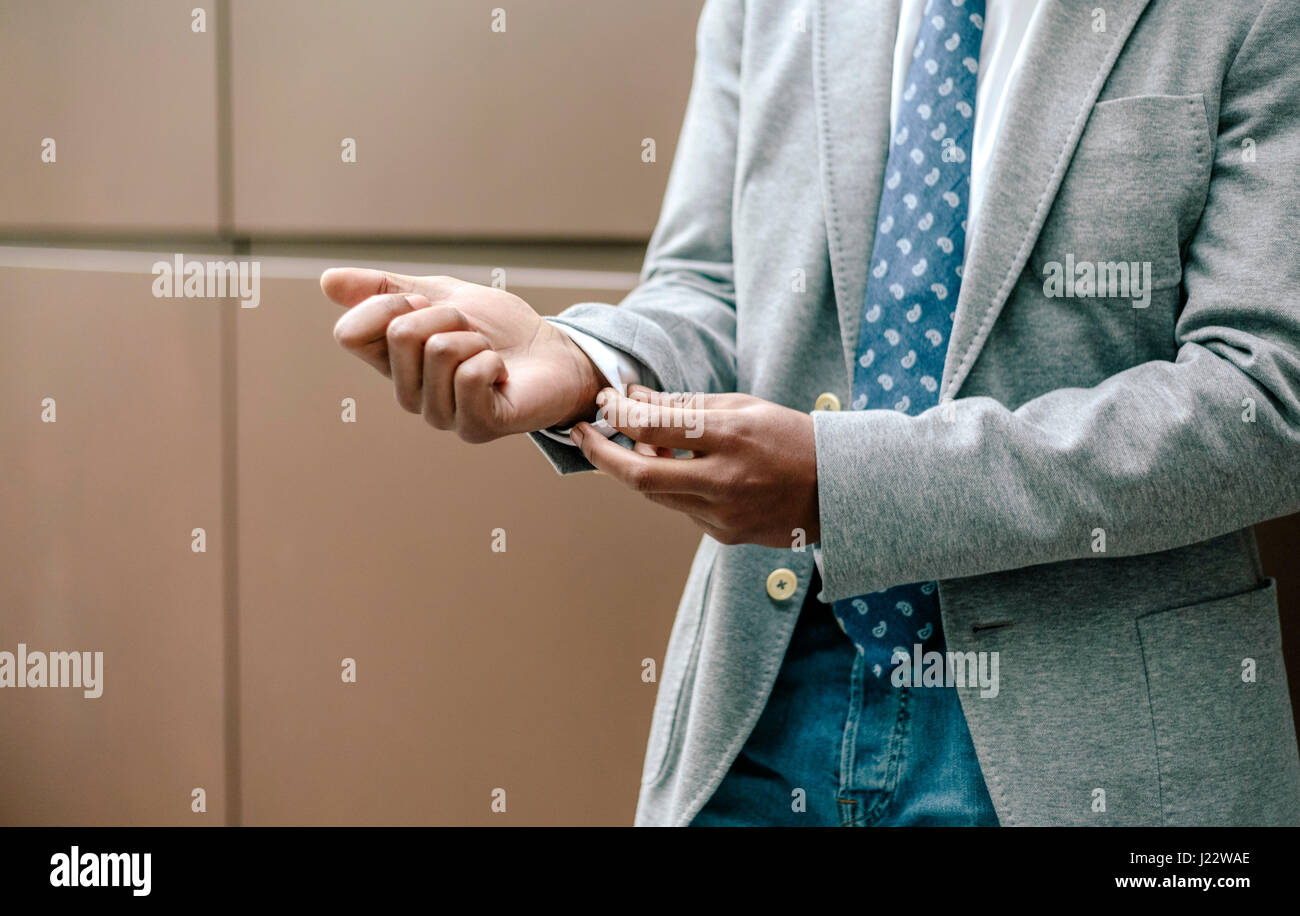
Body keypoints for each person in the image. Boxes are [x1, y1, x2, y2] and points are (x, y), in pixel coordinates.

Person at [320, 0, 1300, 826]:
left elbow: (1264, 396)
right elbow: (718, 285)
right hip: (757, 713)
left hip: (1092, 748)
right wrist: (581, 357)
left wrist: (846, 484)